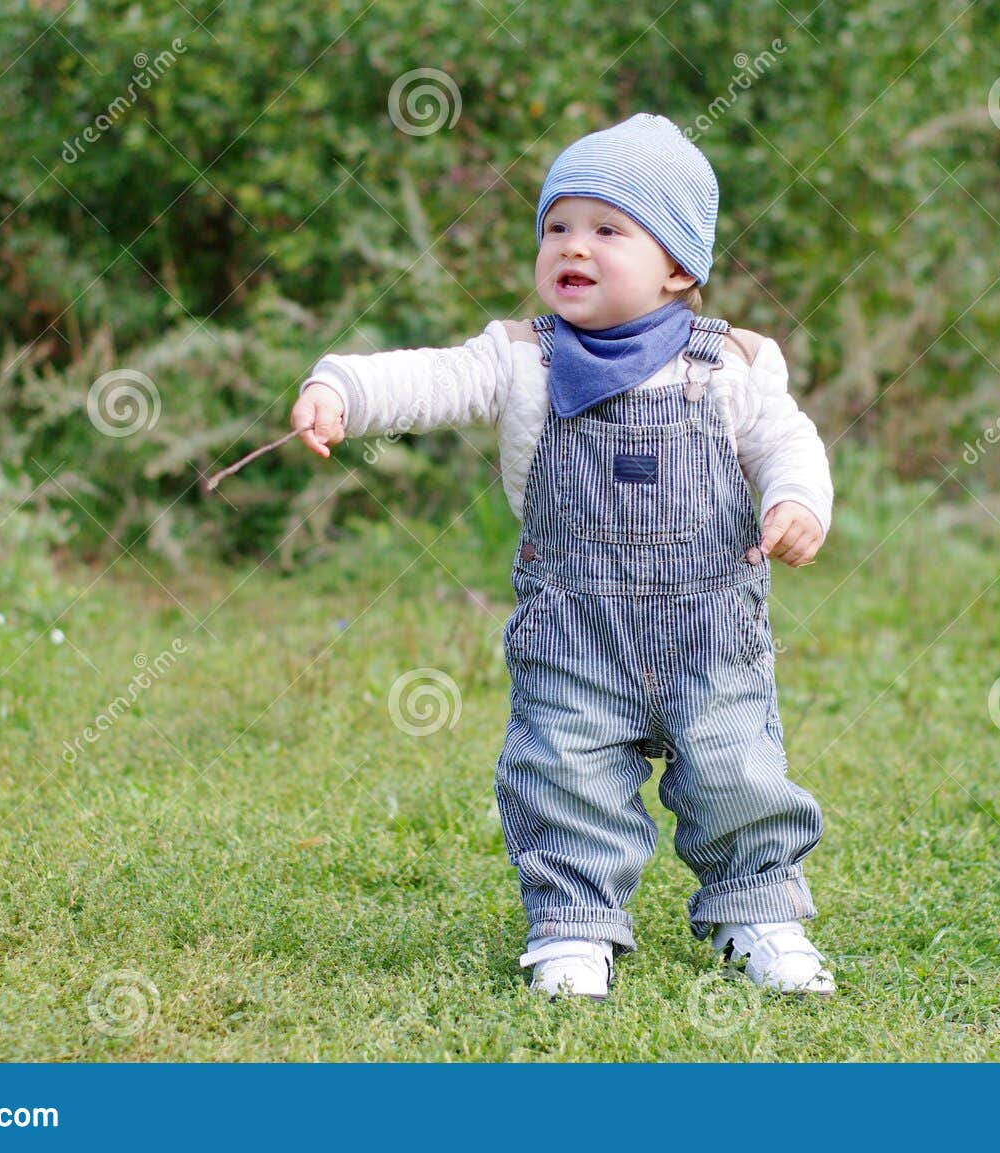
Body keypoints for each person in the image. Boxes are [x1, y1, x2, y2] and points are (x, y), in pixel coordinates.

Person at [291, 113, 835, 1001]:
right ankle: (573, 925)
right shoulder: (523, 360)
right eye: (557, 226)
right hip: (574, 630)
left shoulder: (733, 362)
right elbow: (428, 378)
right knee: (563, 771)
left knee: (738, 768)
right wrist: (341, 388)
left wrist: (797, 501)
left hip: (711, 630)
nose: (572, 246)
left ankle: (759, 910)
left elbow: (788, 441)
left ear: (678, 266)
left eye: (608, 229)